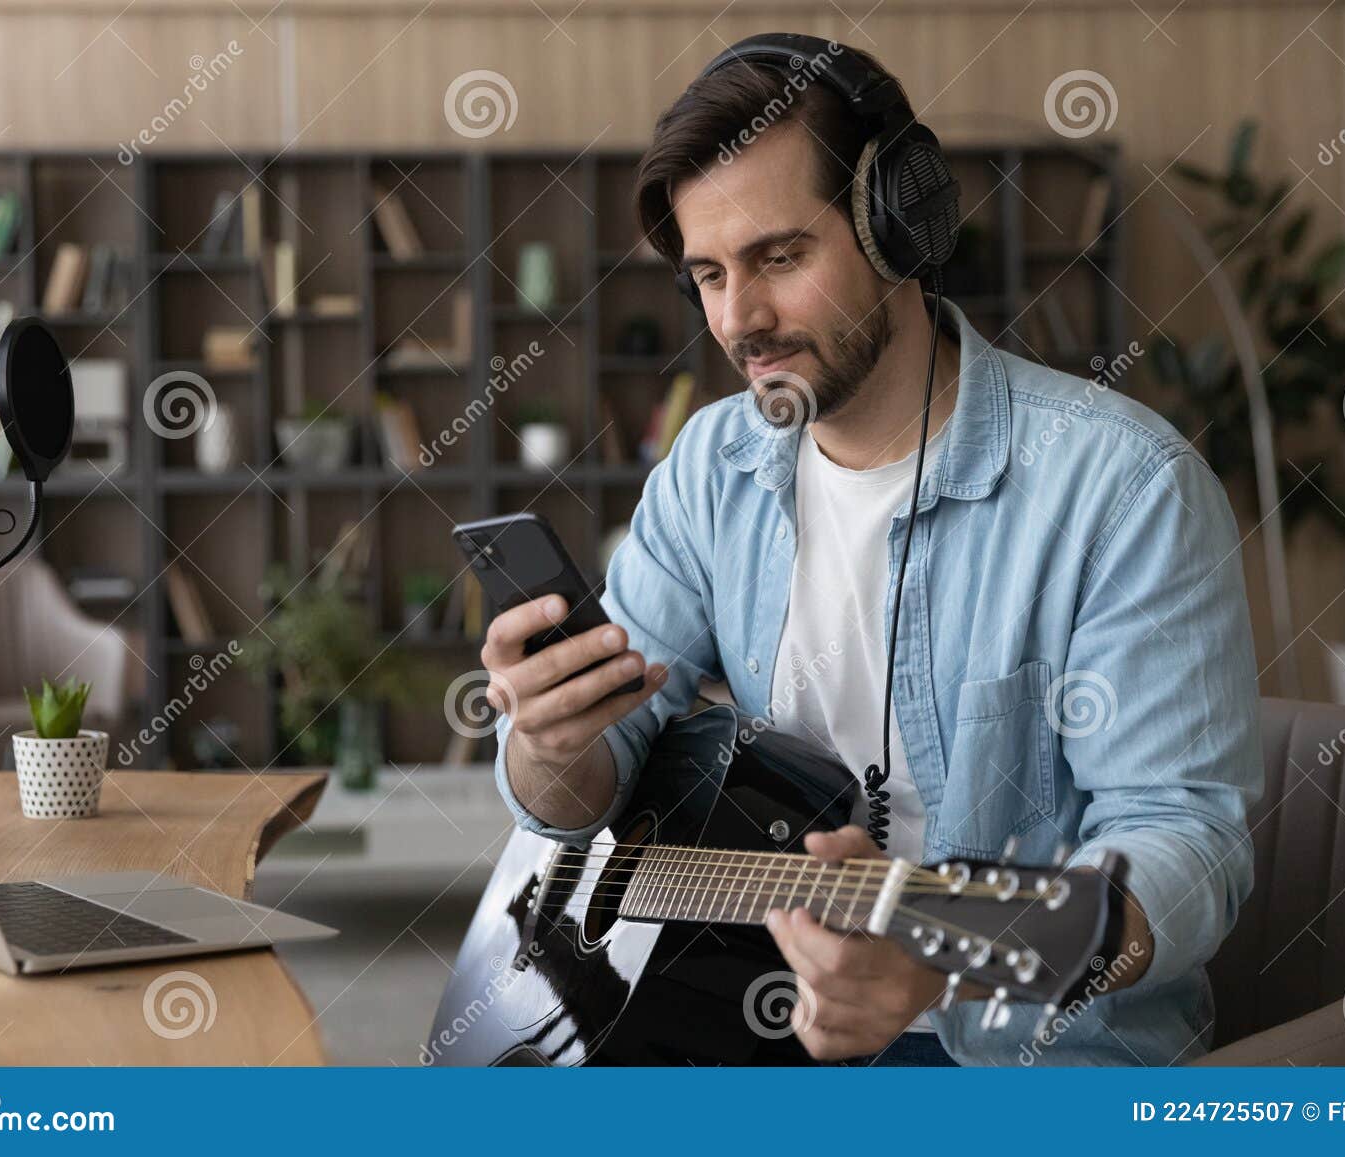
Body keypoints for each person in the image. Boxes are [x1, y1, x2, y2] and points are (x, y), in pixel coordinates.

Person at [479, 36, 1262, 1066]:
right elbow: (596, 777)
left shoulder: (1120, 487)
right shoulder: (711, 463)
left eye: (779, 258)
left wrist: (942, 956)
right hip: (743, 1011)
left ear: (901, 223)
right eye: (707, 275)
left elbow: (1186, 845)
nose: (738, 319)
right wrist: (547, 740)